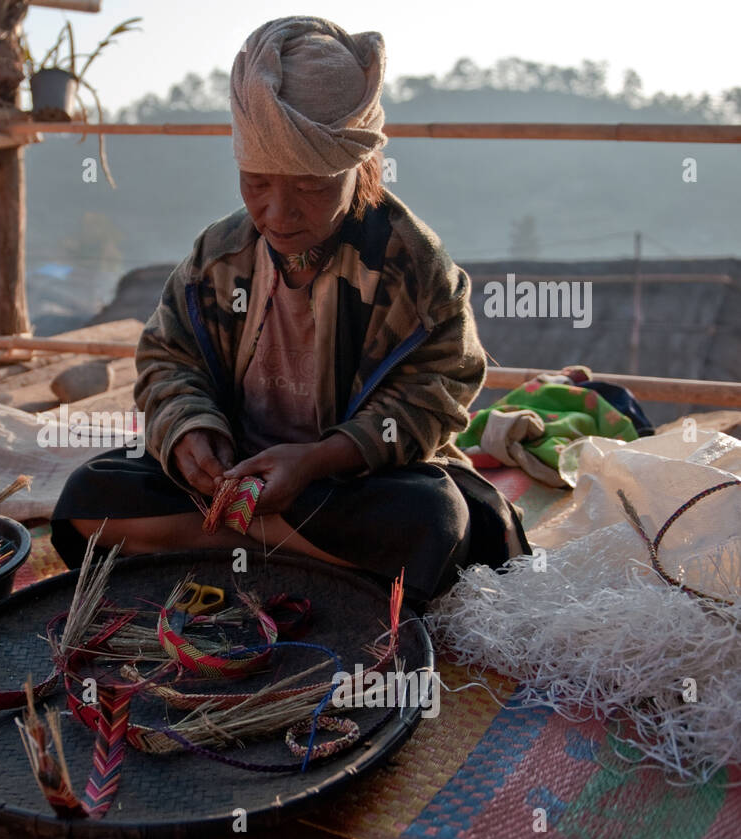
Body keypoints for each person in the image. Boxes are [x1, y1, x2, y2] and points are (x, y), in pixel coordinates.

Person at [50, 16, 529, 605]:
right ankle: (283, 545)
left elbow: (437, 391)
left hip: (340, 489)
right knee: (86, 496)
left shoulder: (410, 265)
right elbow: (168, 360)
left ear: (357, 168)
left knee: (435, 520)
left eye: (310, 189)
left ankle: (229, 541)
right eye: (256, 183)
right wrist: (191, 433)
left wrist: (316, 460)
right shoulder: (218, 256)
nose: (278, 214)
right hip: (227, 485)